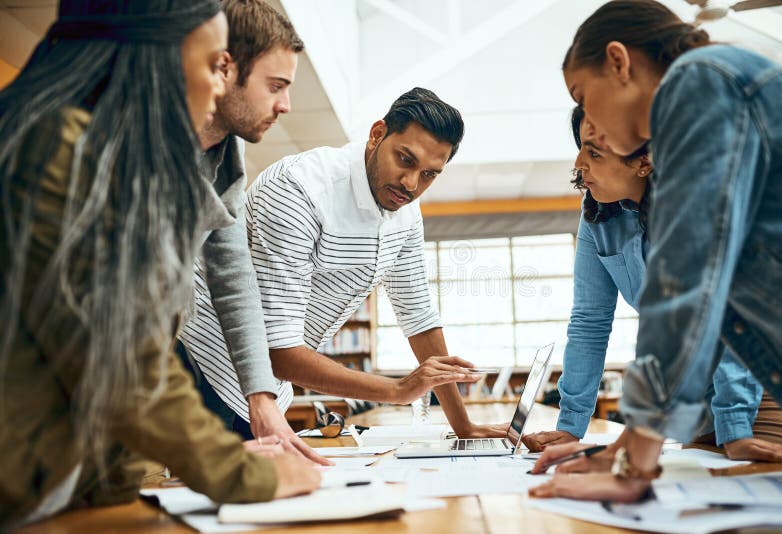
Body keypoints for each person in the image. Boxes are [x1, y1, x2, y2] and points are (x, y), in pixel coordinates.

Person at [0, 1, 318, 526]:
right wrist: (244, 474)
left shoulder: (117, 159)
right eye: (213, 65)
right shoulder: (60, 150)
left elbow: (112, 361)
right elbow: (125, 359)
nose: (217, 86)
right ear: (159, 56)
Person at [529, 0, 782, 502]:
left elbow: (688, 280)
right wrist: (629, 445)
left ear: (619, 62)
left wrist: (635, 462)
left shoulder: (702, 83)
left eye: (583, 97)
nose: (589, 126)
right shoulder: (706, 91)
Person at [181, 88, 509, 439]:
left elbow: (419, 317)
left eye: (429, 174)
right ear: (377, 134)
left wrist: (464, 427)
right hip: (202, 370)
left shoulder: (406, 214)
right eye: (405, 159)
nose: (411, 184)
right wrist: (397, 390)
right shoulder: (300, 188)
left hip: (264, 391)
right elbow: (279, 351)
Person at [523, 106, 782, 463]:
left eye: (595, 153)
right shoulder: (598, 217)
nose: (578, 163)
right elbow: (590, 322)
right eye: (580, 148)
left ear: (644, 161)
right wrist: (571, 426)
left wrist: (735, 425)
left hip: (763, 384)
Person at [174, 0, 328, 465]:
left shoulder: (226, 154)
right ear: (225, 69)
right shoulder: (146, 146)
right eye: (275, 85)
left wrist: (261, 399)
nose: (285, 105)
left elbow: (234, 277)